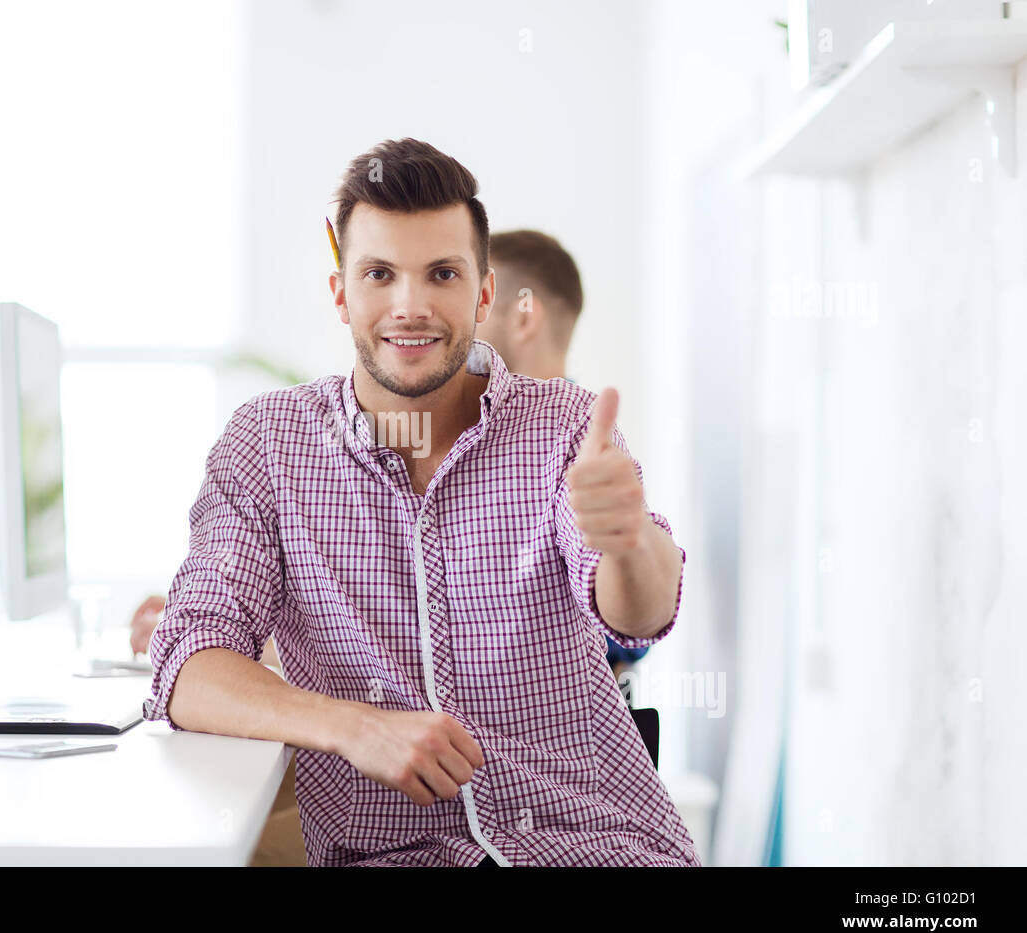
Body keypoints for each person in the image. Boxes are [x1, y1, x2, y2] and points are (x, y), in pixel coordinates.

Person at [142, 138, 696, 867]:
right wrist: (356, 727)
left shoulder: (564, 423)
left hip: (600, 848)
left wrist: (628, 541)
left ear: (484, 293)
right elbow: (186, 662)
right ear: (341, 292)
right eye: (379, 274)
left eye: (442, 274)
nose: (410, 306)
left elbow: (641, 613)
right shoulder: (270, 444)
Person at [475, 229, 649, 682]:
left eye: (478, 305)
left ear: (524, 317)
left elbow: (629, 629)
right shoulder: (476, 438)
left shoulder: (581, 450)